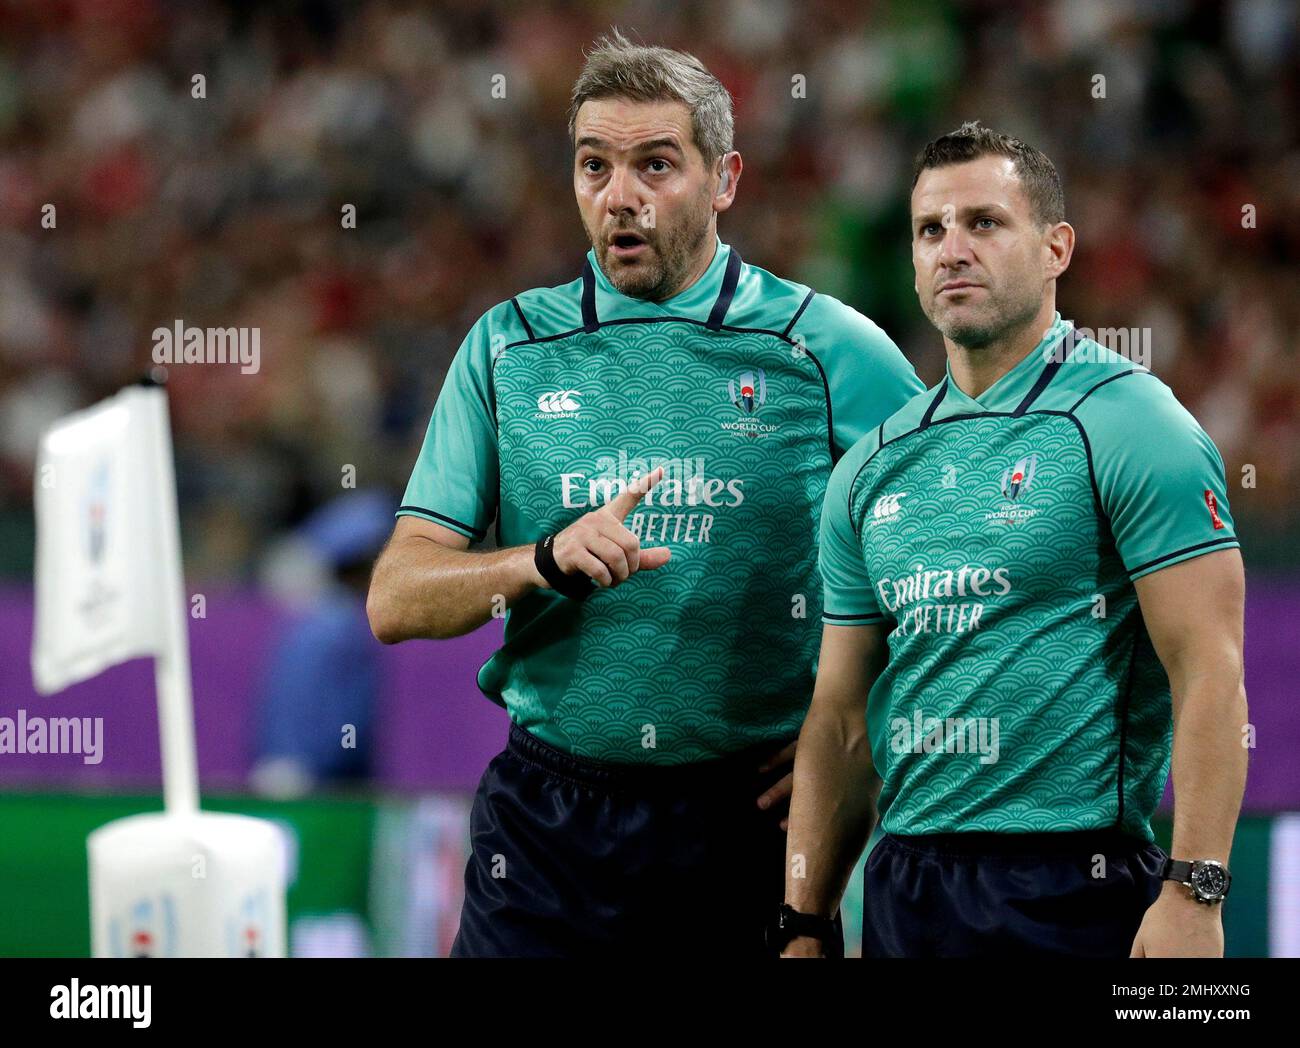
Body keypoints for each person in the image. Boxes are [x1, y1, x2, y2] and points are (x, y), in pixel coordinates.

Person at [365, 30, 923, 957]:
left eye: (655, 165)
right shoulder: (506, 348)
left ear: (725, 178)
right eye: (595, 167)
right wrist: (537, 562)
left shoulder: (827, 351)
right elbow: (394, 599)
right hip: (544, 835)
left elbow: (961, 558)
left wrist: (879, 715)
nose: (620, 196)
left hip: (748, 827)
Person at [778, 122, 1247, 958]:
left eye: (984, 222)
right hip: (905, 889)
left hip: (1077, 887)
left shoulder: (1135, 423)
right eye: (931, 230)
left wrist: (1197, 892)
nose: (953, 249)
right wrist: (805, 921)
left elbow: (1210, 668)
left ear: (1056, 247)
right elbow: (843, 719)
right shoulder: (869, 467)